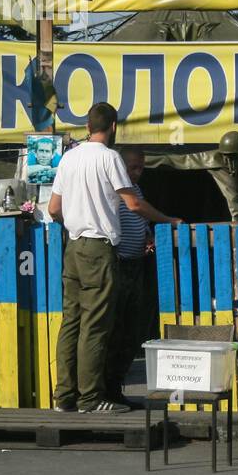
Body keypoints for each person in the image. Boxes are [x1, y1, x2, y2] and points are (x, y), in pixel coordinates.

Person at [48, 103, 179, 413]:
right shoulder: (109, 158)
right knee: (95, 325)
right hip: (99, 247)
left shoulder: (69, 157)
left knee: (71, 323)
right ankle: (90, 399)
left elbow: (54, 208)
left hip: (73, 246)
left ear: (88, 125)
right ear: (114, 126)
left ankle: (64, 397)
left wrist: (76, 218)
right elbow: (133, 204)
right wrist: (167, 220)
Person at [104, 147, 159, 407]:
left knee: (132, 330)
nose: (137, 173)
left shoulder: (135, 190)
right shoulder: (117, 191)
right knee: (116, 330)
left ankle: (116, 386)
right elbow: (131, 211)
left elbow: (139, 220)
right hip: (120, 265)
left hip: (137, 263)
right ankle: (108, 387)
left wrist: (147, 235)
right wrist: (168, 219)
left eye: (141, 168)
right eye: (133, 167)